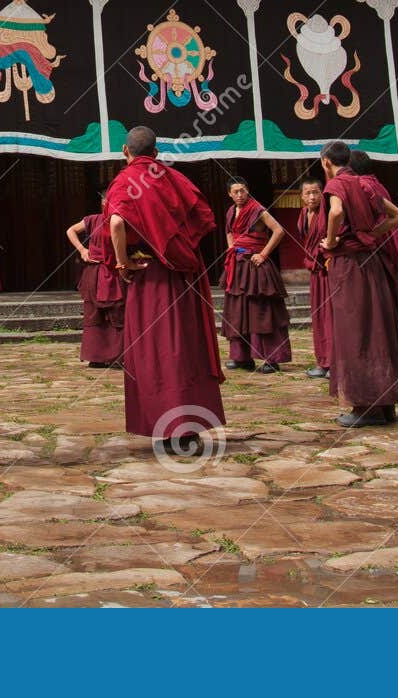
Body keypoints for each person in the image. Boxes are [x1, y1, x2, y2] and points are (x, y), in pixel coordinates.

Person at [105, 126, 225, 456]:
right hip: (182, 277)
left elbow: (116, 223)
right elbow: (202, 216)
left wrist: (122, 262)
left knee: (156, 351)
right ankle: (188, 429)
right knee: (183, 347)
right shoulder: (172, 178)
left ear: (125, 151)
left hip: (149, 277)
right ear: (156, 153)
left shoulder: (125, 182)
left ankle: (166, 426)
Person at [319, 140, 398, 428]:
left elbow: (336, 212)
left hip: (350, 266)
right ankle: (386, 406)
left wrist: (332, 240)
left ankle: (365, 407)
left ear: (326, 162)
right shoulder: (366, 184)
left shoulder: (337, 184)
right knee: (377, 329)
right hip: (372, 264)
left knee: (356, 332)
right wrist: (372, 234)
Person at [220, 178, 292, 373]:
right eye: (235, 191)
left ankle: (271, 359)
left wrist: (263, 254)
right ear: (229, 194)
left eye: (243, 190)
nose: (240, 195)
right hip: (237, 265)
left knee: (261, 311)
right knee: (238, 310)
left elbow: (279, 231)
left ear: (248, 190)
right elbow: (229, 232)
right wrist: (232, 249)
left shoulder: (257, 210)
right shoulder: (230, 211)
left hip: (256, 265)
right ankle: (242, 357)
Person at [66, 191, 124, 367]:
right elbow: (70, 230)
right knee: (94, 312)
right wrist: (82, 250)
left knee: (117, 311)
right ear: (103, 203)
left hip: (114, 272)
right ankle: (97, 357)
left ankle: (118, 356)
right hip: (94, 272)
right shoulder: (93, 220)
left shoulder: (122, 220)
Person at [348, 149, 398, 273]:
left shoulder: (361, 186)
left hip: (374, 244)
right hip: (384, 240)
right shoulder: (375, 184)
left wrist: (369, 236)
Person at [298, 177, 332, 379]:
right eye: (308, 193)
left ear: (322, 194)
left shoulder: (327, 212)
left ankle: (335, 362)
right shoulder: (303, 214)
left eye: (316, 192)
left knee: (331, 316)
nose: (312, 197)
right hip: (314, 271)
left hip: (328, 270)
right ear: (301, 196)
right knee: (319, 316)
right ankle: (323, 361)